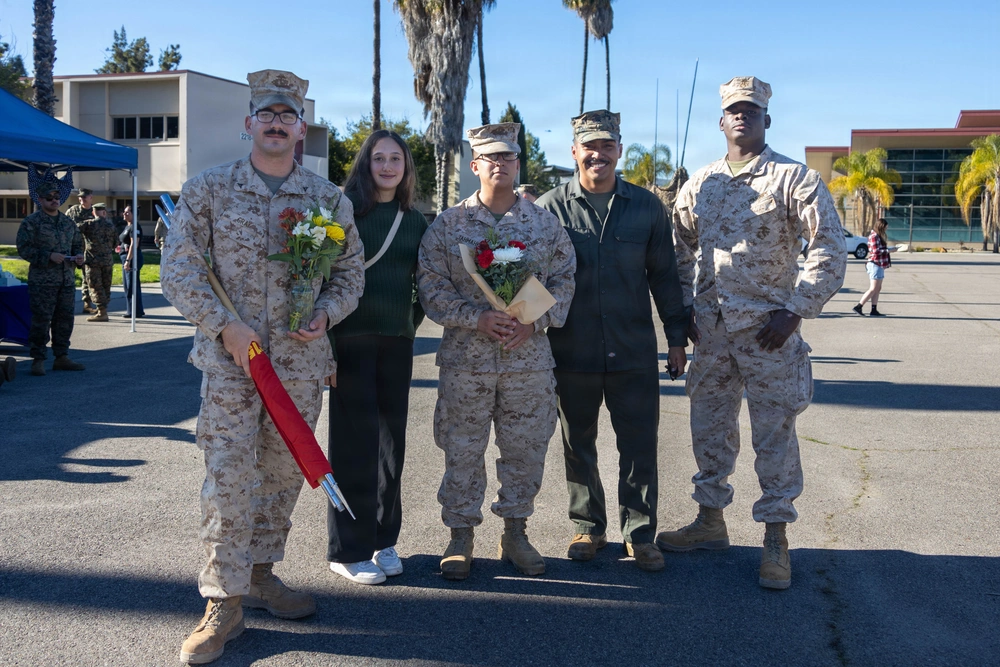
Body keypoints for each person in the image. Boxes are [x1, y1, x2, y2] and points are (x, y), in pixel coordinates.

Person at [162, 69, 365, 664]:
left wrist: (326, 314)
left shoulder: (327, 200)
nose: (277, 124)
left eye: (288, 115)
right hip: (232, 364)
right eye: (267, 115)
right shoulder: (208, 190)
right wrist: (223, 325)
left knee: (281, 474)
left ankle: (260, 572)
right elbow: (179, 269)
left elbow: (350, 272)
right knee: (228, 476)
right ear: (249, 124)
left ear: (301, 128)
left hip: (300, 366)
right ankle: (222, 601)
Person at [661, 77, 847, 590]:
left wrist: (796, 310)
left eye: (752, 110)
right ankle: (710, 522)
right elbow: (676, 246)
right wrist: (684, 310)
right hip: (713, 335)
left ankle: (775, 536)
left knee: (775, 436)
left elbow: (828, 249)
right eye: (734, 111)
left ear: (767, 119)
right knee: (709, 430)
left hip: (770, 333)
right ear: (721, 122)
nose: (742, 117)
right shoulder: (701, 183)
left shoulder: (794, 179)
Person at [417, 122, 576, 581]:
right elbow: (430, 285)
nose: (500, 164)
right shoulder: (449, 225)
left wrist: (535, 319)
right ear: (475, 165)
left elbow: (566, 280)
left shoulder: (544, 223)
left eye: (508, 157)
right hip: (467, 360)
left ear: (518, 164)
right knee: (462, 449)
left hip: (527, 361)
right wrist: (476, 317)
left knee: (524, 449)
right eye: (491, 158)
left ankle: (516, 532)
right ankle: (460, 535)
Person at [536, 110, 688, 572]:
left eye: (606, 146)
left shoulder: (646, 207)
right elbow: (529, 278)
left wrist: (677, 339)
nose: (597, 154)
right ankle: (588, 526)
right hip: (571, 350)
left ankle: (640, 534)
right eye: (589, 146)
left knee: (639, 446)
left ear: (619, 150)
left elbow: (665, 277)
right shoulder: (548, 208)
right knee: (576, 444)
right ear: (574, 152)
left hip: (633, 351)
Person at [325, 129, 427, 585]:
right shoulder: (343, 213)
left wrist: (407, 321)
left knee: (391, 445)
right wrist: (323, 344)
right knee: (352, 447)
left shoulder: (416, 220)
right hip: (348, 339)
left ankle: (383, 539)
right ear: (365, 164)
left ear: (406, 167)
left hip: (397, 343)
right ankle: (347, 548)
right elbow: (317, 279)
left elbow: (426, 285)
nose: (387, 167)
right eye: (378, 159)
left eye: (396, 159)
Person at [16, 179, 87, 376]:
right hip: (42, 281)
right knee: (41, 320)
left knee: (64, 320)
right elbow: (24, 248)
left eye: (57, 197)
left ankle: (61, 357)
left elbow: (77, 244)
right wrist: (48, 256)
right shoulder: (32, 222)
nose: (55, 201)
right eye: (50, 198)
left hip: (66, 280)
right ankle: (38, 359)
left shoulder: (67, 222)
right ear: (40, 199)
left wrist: (79, 257)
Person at [79, 203, 116, 322]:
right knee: (106, 285)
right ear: (104, 212)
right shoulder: (111, 226)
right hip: (107, 261)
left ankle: (102, 312)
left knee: (95, 286)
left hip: (93, 261)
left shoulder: (88, 224)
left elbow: (73, 230)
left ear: (93, 212)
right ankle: (103, 308)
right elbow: (116, 243)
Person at [852, 218, 897, 317]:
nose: (886, 230)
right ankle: (859, 306)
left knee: (878, 288)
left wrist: (889, 249)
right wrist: (889, 251)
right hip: (875, 263)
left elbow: (880, 249)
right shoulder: (874, 236)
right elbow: (876, 252)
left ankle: (874, 309)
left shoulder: (878, 236)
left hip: (879, 264)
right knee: (873, 288)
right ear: (881, 226)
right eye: (885, 228)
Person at [66, 188, 96, 313]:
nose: (82, 199)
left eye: (85, 197)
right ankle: (67, 304)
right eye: (80, 197)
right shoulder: (72, 211)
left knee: (87, 277)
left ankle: (87, 304)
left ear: (91, 198)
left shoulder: (95, 212)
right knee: (68, 276)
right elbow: (65, 226)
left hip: (88, 249)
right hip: (72, 248)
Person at [119, 206, 145, 318]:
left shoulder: (135, 227)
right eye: (124, 212)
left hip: (132, 258)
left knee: (131, 285)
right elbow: (127, 243)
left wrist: (128, 260)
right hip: (125, 257)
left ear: (134, 214)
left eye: (127, 212)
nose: (124, 214)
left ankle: (134, 311)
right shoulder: (128, 226)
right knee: (128, 285)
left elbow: (134, 244)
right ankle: (135, 310)